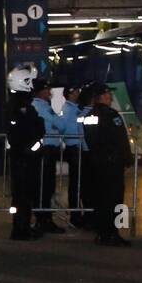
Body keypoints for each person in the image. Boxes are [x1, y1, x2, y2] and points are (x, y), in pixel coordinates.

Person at [83, 83, 133, 247]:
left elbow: (91, 139)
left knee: (99, 198)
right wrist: (127, 158)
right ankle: (111, 234)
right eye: (107, 95)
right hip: (112, 164)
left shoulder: (90, 115)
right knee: (113, 198)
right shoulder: (111, 115)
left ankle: (102, 233)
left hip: (97, 162)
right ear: (100, 97)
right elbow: (120, 139)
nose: (110, 97)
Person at [4, 65, 45, 241]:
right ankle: (21, 229)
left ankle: (22, 227)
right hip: (24, 159)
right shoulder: (21, 107)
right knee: (23, 196)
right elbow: (31, 131)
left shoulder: (18, 104)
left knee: (21, 196)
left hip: (21, 157)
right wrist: (34, 148)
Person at [29, 77, 67, 234]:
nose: (49, 91)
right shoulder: (38, 107)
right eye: (46, 89)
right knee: (43, 187)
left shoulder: (45, 106)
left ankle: (46, 218)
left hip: (50, 150)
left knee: (48, 187)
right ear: (40, 91)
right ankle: (42, 220)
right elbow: (58, 124)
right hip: (44, 150)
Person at [59, 85, 87, 227]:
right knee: (76, 183)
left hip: (78, 148)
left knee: (79, 183)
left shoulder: (75, 109)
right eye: (76, 91)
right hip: (74, 148)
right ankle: (75, 215)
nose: (78, 93)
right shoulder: (69, 110)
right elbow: (66, 129)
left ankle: (78, 213)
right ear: (70, 94)